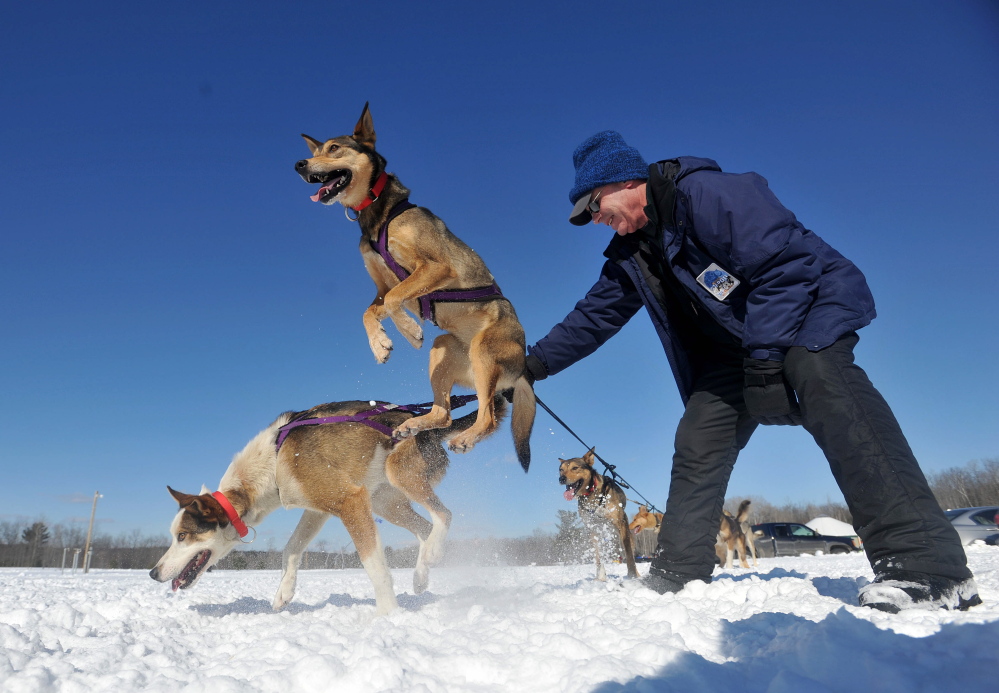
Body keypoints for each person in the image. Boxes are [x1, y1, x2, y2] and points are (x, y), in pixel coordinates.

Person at [524, 131, 981, 613]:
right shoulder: (633, 253)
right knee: (700, 435)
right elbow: (594, 317)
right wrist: (530, 366)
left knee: (824, 379)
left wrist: (765, 362)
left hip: (807, 309)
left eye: (595, 205)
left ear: (623, 180)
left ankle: (929, 567)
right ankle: (677, 571)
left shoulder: (707, 194)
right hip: (736, 349)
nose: (597, 220)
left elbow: (787, 268)